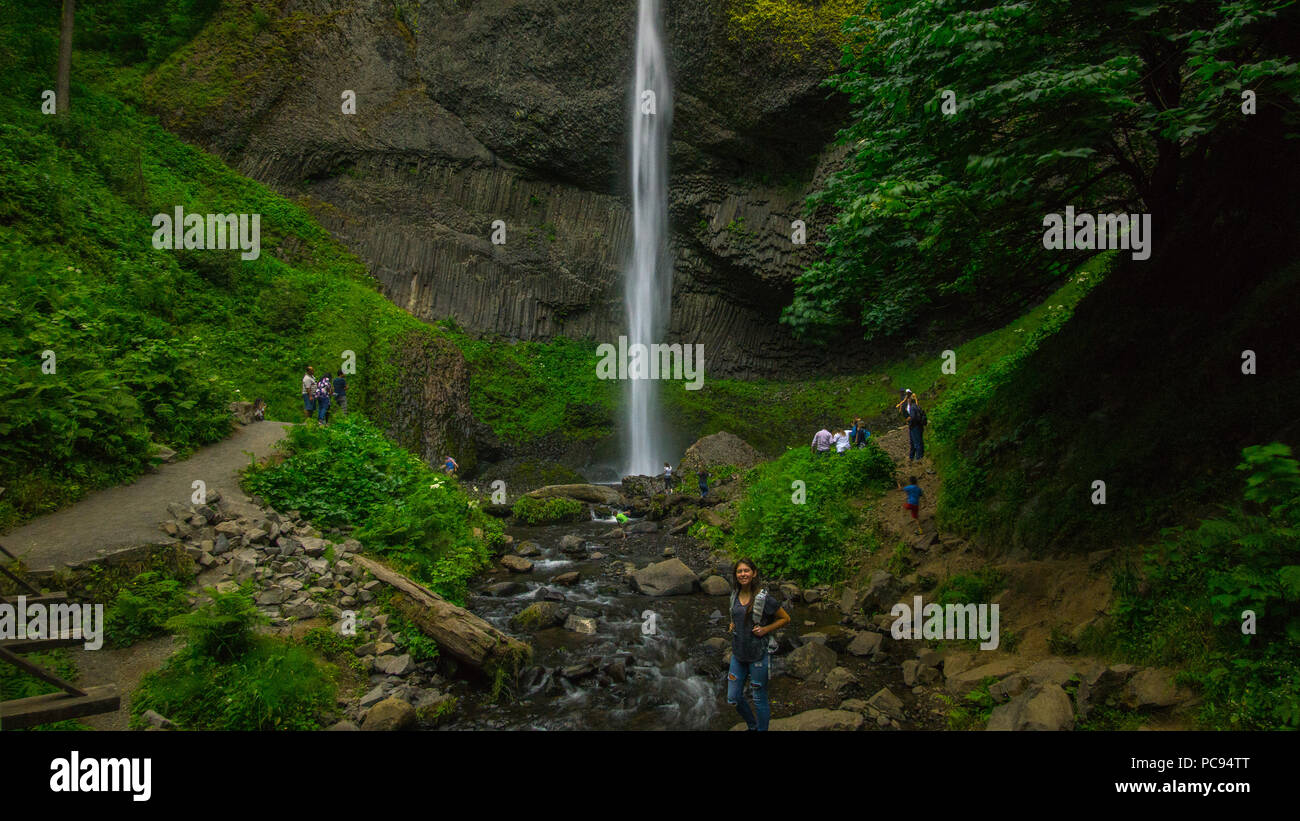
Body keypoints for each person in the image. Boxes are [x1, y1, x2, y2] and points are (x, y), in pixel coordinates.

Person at [727, 559, 790, 731]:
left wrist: (765, 629)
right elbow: (736, 614)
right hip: (738, 654)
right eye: (739, 571)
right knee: (733, 697)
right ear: (736, 575)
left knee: (759, 698)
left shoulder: (764, 598)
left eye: (746, 571)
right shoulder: (734, 594)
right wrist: (733, 624)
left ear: (754, 573)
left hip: (758, 655)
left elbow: (785, 618)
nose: (743, 574)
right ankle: (752, 725)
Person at [906, 397, 927, 462]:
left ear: (909, 401)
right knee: (918, 441)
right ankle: (913, 456)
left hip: (914, 426)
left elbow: (913, 417)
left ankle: (918, 458)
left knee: (916, 442)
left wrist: (909, 423)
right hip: (920, 426)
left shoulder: (912, 408)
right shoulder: (918, 407)